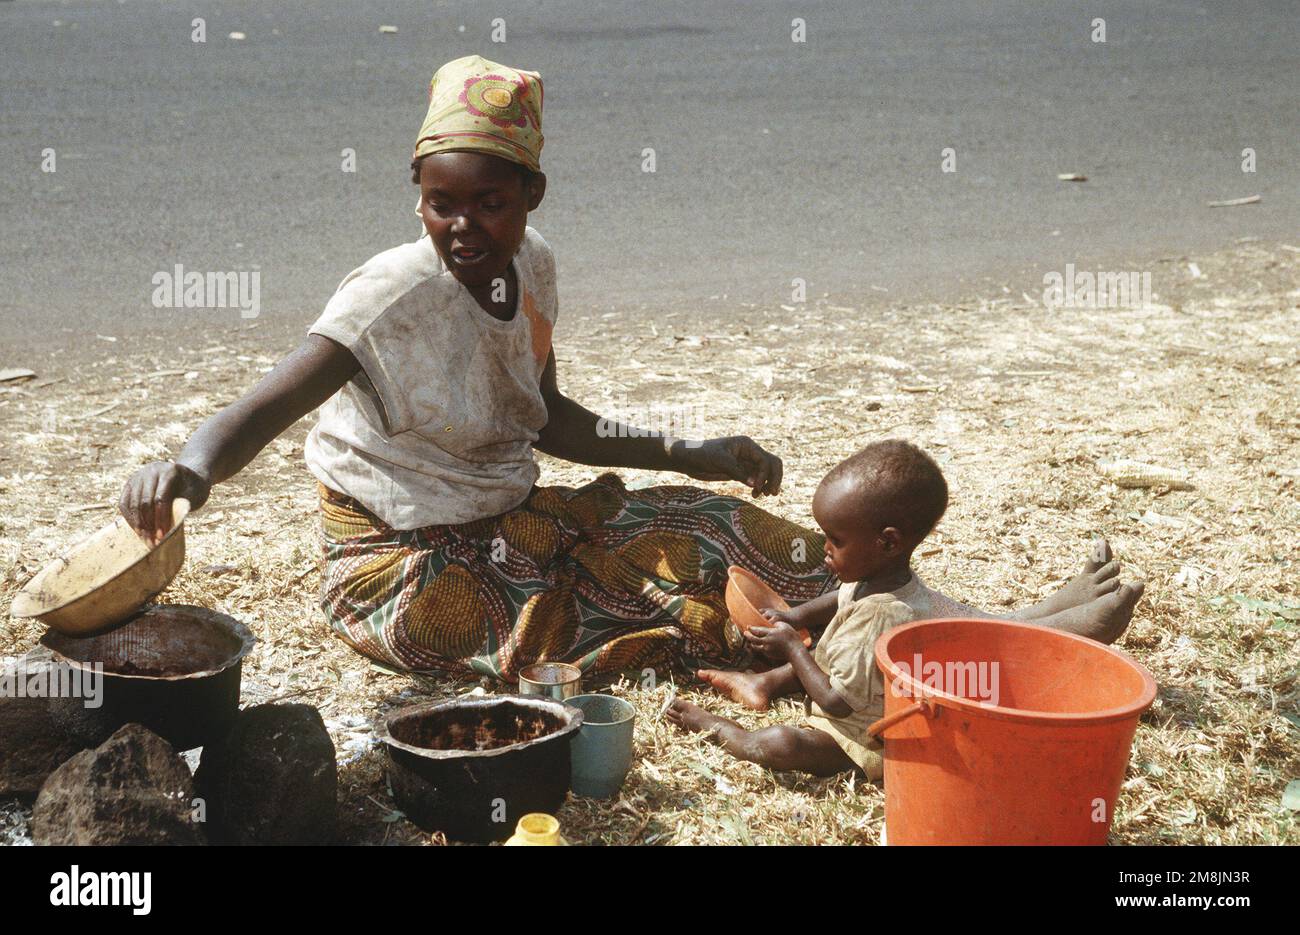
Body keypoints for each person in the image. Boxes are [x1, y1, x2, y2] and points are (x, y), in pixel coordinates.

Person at [667, 440, 1144, 777]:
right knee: (975, 627)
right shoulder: (874, 577)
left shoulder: (887, 613)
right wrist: (796, 615)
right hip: (858, 672)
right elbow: (839, 598)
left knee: (779, 744)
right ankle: (1065, 609)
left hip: (860, 730)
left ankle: (1074, 630)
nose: (825, 551)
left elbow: (836, 701)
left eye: (834, 540)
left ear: (887, 541)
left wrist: (792, 646)